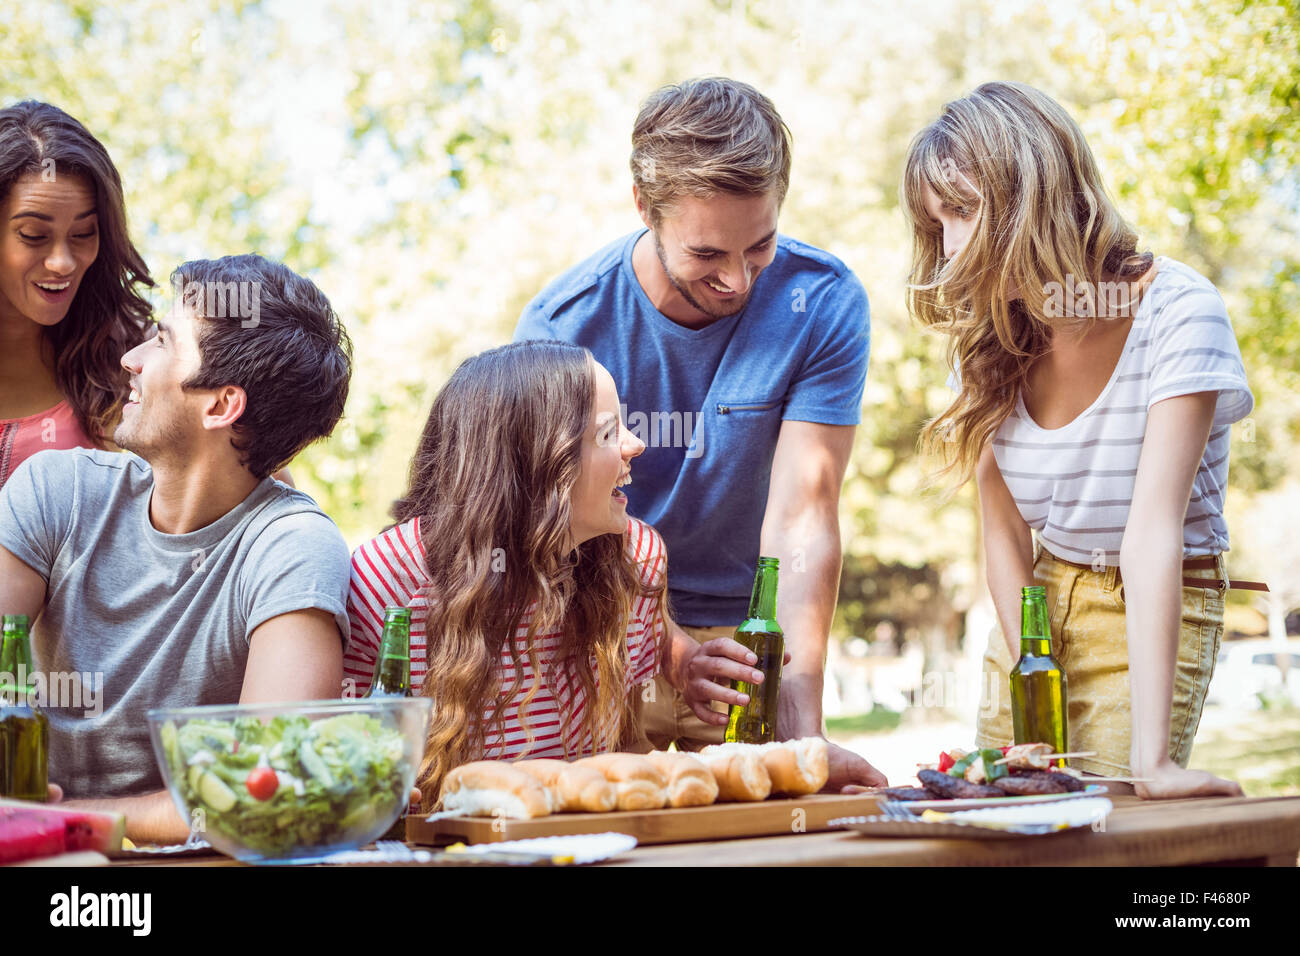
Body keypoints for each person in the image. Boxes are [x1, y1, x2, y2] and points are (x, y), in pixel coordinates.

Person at [513, 78, 885, 790]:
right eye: (708, 255)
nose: (739, 281)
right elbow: (555, 531)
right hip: (609, 633)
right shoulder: (563, 328)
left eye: (761, 245)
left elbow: (805, 508)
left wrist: (802, 724)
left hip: (754, 643)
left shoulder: (824, 301)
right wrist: (672, 649)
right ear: (644, 209)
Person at [902, 81, 1253, 798]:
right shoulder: (989, 335)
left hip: (1155, 592)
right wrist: (1037, 659)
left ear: (1033, 193)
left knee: (1105, 817)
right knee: (1000, 813)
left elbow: (1151, 529)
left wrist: (1153, 765)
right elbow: (1001, 533)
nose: (952, 248)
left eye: (965, 212)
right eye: (939, 225)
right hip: (1037, 593)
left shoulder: (1179, 314)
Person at [0, 254, 354, 841]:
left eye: (162, 340)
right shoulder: (56, 491)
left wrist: (64, 821)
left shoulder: (292, 547)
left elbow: (264, 796)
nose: (131, 359)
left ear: (220, 405)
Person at [346, 340, 754, 806]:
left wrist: (683, 661)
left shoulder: (636, 560)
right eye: (607, 433)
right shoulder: (386, 581)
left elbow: (624, 742)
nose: (636, 444)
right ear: (538, 465)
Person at [0, 101, 152, 485]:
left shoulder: (139, 362)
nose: (63, 262)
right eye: (34, 235)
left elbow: (264, 492)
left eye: (84, 234)